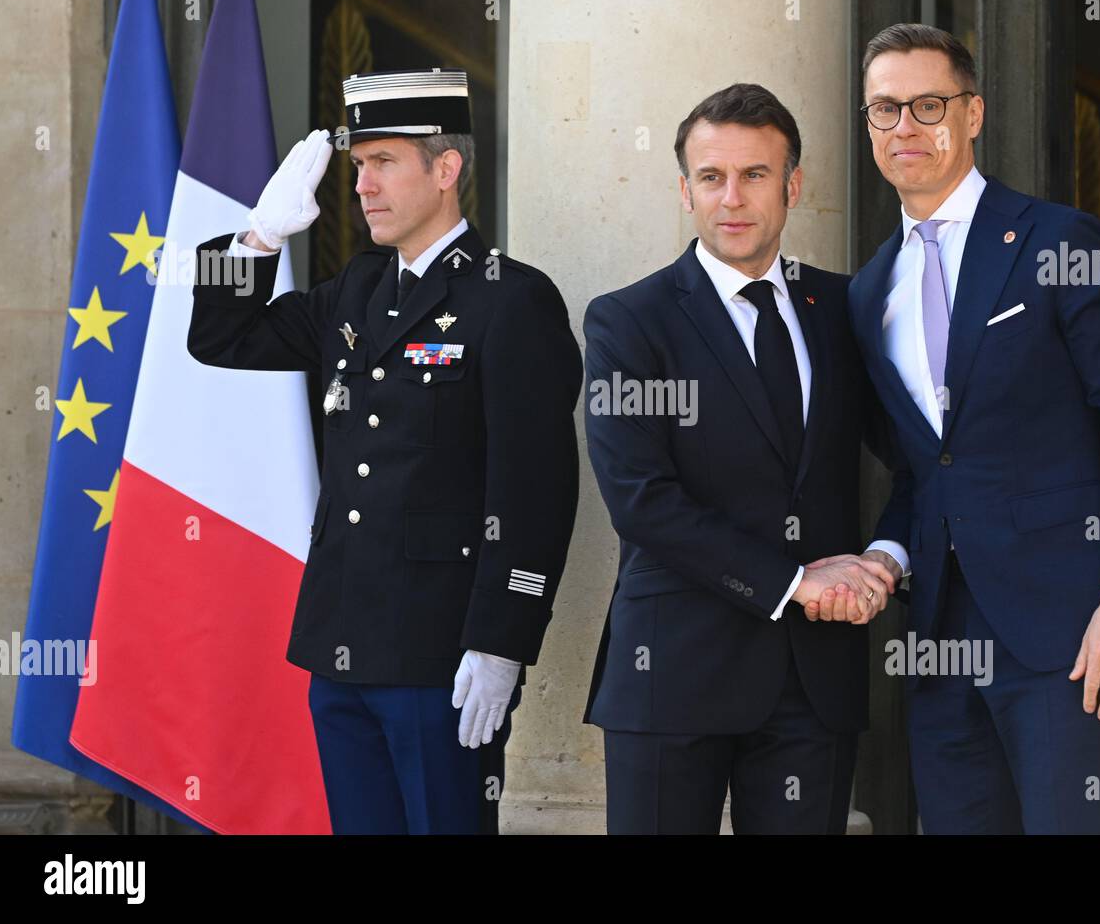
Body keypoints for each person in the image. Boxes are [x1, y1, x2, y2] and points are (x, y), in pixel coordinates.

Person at [187, 68, 581, 834]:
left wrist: (502, 641)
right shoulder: (359, 289)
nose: (362, 184)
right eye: (358, 164)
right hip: (342, 646)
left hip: (441, 659)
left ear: (445, 169)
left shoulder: (510, 300)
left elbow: (535, 493)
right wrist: (256, 237)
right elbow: (219, 338)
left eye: (383, 162)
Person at [846, 24, 1100, 833]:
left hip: (1070, 631)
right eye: (884, 110)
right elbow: (927, 470)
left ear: (974, 114)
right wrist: (882, 558)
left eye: (929, 105)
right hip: (939, 645)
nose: (905, 128)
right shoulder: (869, 293)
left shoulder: (1059, 241)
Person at [582, 83, 897, 834]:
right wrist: (792, 581)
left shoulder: (842, 310)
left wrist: (884, 559)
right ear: (684, 191)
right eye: (712, 177)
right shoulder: (629, 321)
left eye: (755, 175)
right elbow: (641, 499)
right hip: (673, 673)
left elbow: (919, 456)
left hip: (813, 680)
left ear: (792, 186)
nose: (733, 197)